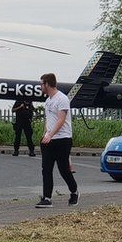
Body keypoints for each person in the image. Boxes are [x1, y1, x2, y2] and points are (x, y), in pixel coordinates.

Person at [35, 73, 78, 208]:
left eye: (41, 84)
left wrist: (51, 134)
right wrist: (45, 134)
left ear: (47, 84)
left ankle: (74, 191)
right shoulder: (48, 100)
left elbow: (61, 119)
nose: (40, 86)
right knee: (46, 169)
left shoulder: (62, 99)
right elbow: (49, 120)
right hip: (49, 140)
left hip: (62, 139)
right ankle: (47, 198)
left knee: (63, 169)